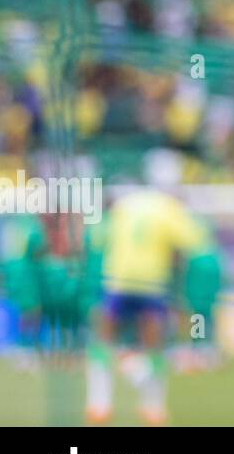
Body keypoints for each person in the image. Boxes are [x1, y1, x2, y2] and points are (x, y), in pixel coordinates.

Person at [86, 157, 213, 425]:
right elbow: (197, 245)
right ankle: (152, 407)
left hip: (116, 281)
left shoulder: (123, 204)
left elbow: (98, 240)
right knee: (153, 346)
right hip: (152, 284)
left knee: (102, 343)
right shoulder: (169, 208)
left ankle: (99, 405)